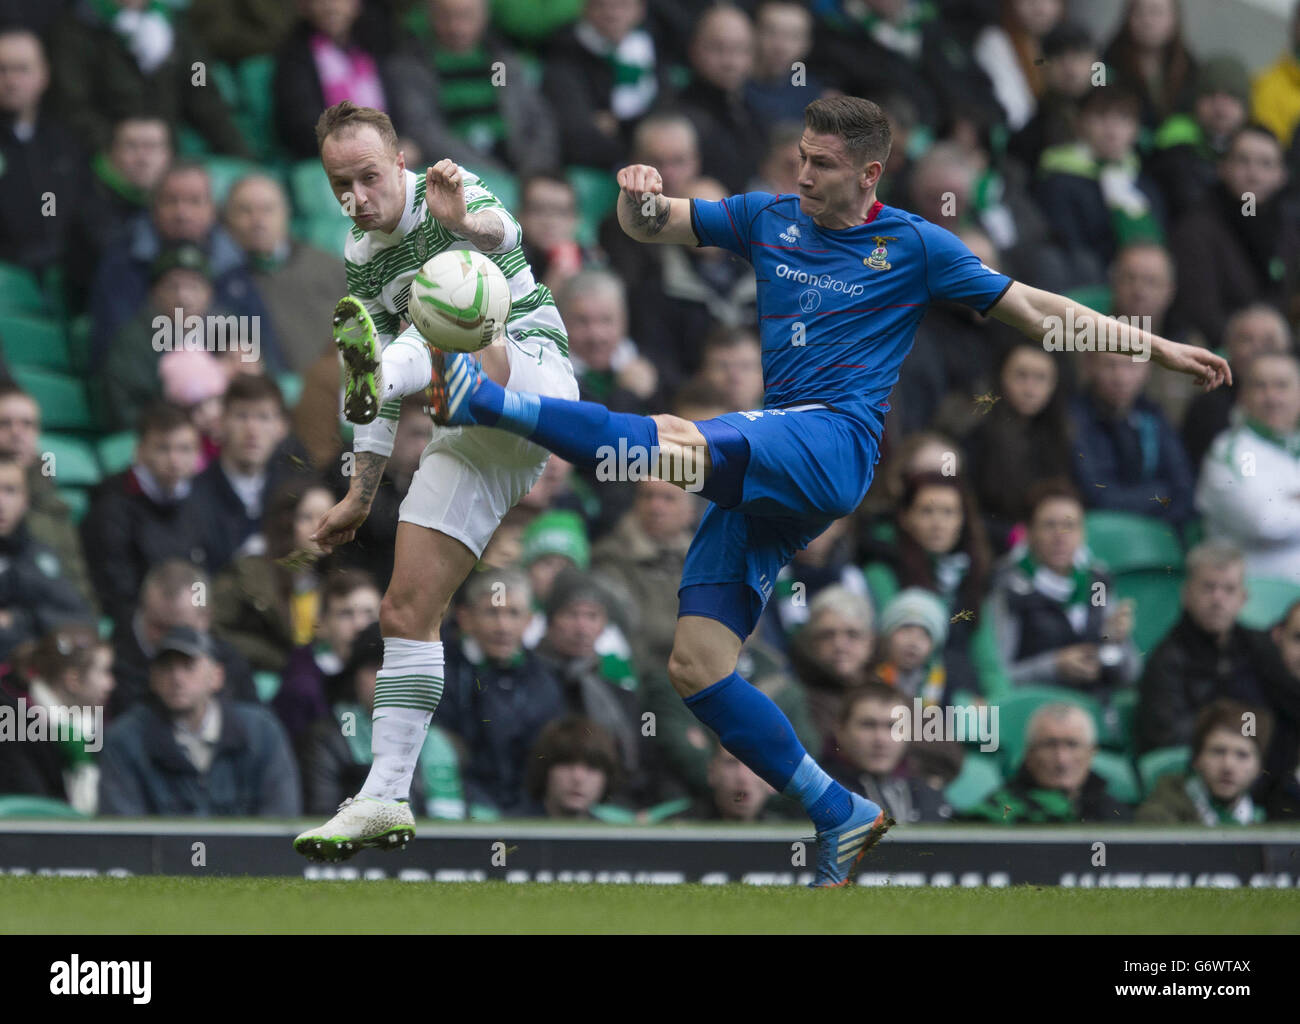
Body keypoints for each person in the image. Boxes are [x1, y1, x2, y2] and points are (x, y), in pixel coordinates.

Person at [418, 94, 1229, 885]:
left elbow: (1038, 311)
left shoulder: (913, 246)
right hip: (779, 460)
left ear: (870, 172)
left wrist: (1154, 349)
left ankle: (485, 400)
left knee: (669, 443)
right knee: (697, 666)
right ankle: (838, 810)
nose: (802, 173)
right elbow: (656, 223)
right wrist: (638, 200)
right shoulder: (767, 217)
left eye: (822, 164)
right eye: (801, 156)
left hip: (833, 443)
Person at [292, 101, 578, 860]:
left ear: (401, 161)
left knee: (452, 284)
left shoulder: (446, 189)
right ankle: (384, 794)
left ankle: (387, 364)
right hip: (468, 422)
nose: (356, 198)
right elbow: (377, 411)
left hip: (533, 373)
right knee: (405, 605)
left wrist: (467, 223)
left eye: (368, 177)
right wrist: (358, 494)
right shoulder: (360, 254)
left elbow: (509, 237)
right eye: (339, 185)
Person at [98, 625, 301, 816]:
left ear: (216, 677)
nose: (177, 677)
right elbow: (124, 837)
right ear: (153, 679)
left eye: (189, 666)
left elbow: (280, 822)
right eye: (166, 667)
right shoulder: (125, 740)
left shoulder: (261, 732)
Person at [1136, 541, 1293, 754]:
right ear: (1186, 594)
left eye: (1229, 589)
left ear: (1243, 598)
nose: (1218, 599)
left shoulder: (1259, 645)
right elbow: (1166, 737)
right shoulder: (1166, 660)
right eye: (1208, 587)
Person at [81, 403, 206, 625]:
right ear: (139, 451)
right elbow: (115, 590)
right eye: (163, 448)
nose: (175, 460)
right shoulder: (110, 506)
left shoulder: (199, 498)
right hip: (142, 624)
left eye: (185, 449)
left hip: (194, 618)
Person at [1195, 352, 1300, 582]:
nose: (1272, 397)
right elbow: (1263, 521)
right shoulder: (1233, 451)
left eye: (1282, 386)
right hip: (1253, 594)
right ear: (1242, 395)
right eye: (1260, 386)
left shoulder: (1294, 446)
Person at [0, 623, 113, 815]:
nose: (111, 683)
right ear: (73, 681)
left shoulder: (96, 728)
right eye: (104, 672)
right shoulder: (14, 727)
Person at [964, 702, 1133, 823]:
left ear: (1092, 753)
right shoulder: (997, 813)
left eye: (1072, 745)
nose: (1062, 760)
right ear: (1029, 754)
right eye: (1049, 745)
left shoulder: (1116, 815)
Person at [0, 456, 93, 663]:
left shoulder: (40, 557)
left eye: (10, 490)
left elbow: (81, 621)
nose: (1, 502)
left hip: (29, 678)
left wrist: (18, 620)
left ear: (25, 501)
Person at [822, 682, 953, 823]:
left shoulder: (929, 797)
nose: (881, 739)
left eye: (893, 726)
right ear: (840, 730)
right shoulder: (816, 794)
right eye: (868, 725)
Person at [1137, 699, 1272, 825]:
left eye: (1242, 755)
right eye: (1218, 751)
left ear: (1259, 767)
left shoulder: (1265, 821)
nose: (1228, 766)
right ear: (1196, 759)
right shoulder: (1158, 817)